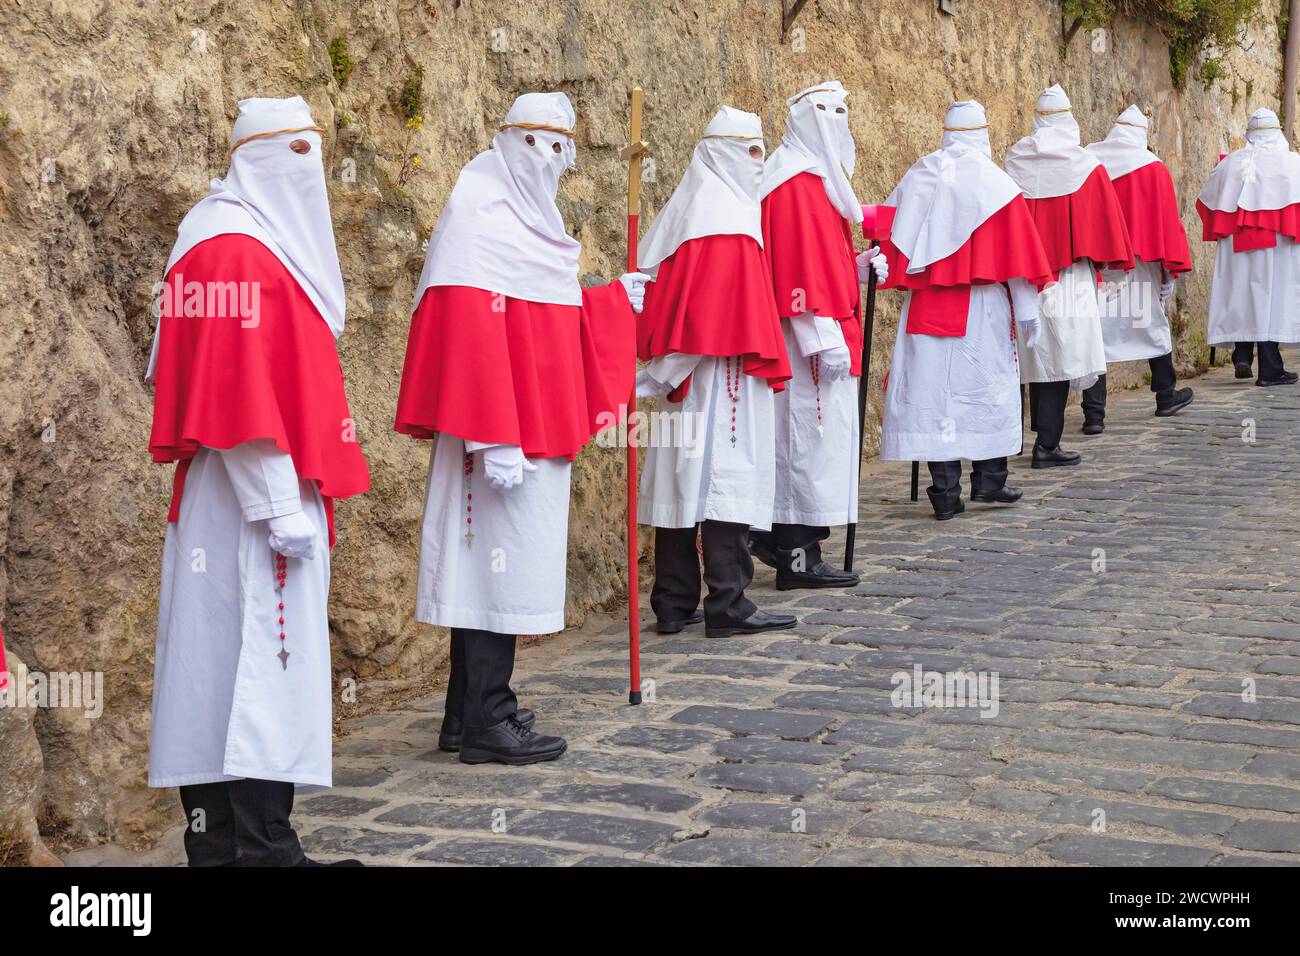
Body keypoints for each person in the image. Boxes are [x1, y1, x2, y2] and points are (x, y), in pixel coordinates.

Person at [146, 96, 371, 867]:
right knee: (257, 669)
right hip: (248, 498)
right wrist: (278, 505)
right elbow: (235, 392)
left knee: (222, 672)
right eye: (298, 153)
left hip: (241, 493)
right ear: (260, 156)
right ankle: (263, 850)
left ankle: (231, 850)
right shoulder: (232, 247)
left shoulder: (239, 240)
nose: (313, 172)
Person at [394, 92, 642, 765]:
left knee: (491, 571)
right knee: (492, 571)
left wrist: (616, 300)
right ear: (519, 141)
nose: (559, 161)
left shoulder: (535, 220)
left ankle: (464, 714)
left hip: (528, 426)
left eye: (568, 147)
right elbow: (469, 329)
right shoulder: (479, 213)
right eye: (549, 144)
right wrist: (490, 433)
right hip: (498, 439)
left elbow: (545, 324)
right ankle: (490, 720)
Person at [634, 106, 797, 638]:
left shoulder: (692, 206)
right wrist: (659, 374)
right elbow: (705, 317)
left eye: (762, 149)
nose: (760, 161)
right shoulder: (724, 216)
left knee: (683, 481)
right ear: (721, 153)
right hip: (720, 372)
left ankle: (674, 603)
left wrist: (657, 375)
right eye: (750, 150)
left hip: (687, 376)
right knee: (725, 477)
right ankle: (729, 602)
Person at [877, 101, 1055, 520]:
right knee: (985, 393)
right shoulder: (995, 183)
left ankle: (944, 491)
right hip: (982, 309)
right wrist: (1029, 309)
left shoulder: (918, 175)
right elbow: (1017, 259)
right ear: (982, 134)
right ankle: (989, 480)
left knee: (934, 398)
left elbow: (887, 231)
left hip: (926, 302)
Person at [751, 81, 886, 586]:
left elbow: (819, 263)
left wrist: (856, 269)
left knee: (816, 443)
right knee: (807, 442)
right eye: (824, 111)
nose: (836, 120)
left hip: (823, 327)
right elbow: (796, 272)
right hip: (810, 338)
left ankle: (796, 547)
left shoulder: (815, 178)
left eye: (842, 111)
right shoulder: (793, 182)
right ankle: (796, 557)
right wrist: (819, 336)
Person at [1004, 84, 1134, 466]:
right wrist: (1110, 274)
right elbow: (1107, 226)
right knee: (1059, 355)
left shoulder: (1014, 162)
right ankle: (1046, 445)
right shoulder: (1085, 166)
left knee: (1029, 355)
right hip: (1069, 276)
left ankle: (1015, 443)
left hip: (1023, 277)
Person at [1081, 105, 1194, 428]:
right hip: (1140, 264)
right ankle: (1165, 395)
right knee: (1152, 327)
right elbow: (1167, 223)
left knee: (1098, 334)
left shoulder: (1089, 161)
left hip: (1101, 265)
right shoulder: (1153, 167)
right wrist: (1168, 270)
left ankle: (1094, 414)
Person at [1196, 107, 1300, 386]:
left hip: (1236, 241)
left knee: (1242, 296)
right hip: (1279, 245)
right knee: (1272, 300)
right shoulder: (1293, 164)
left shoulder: (1230, 163)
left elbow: (1206, 201)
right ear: (1277, 133)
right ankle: (1271, 367)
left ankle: (1242, 356)